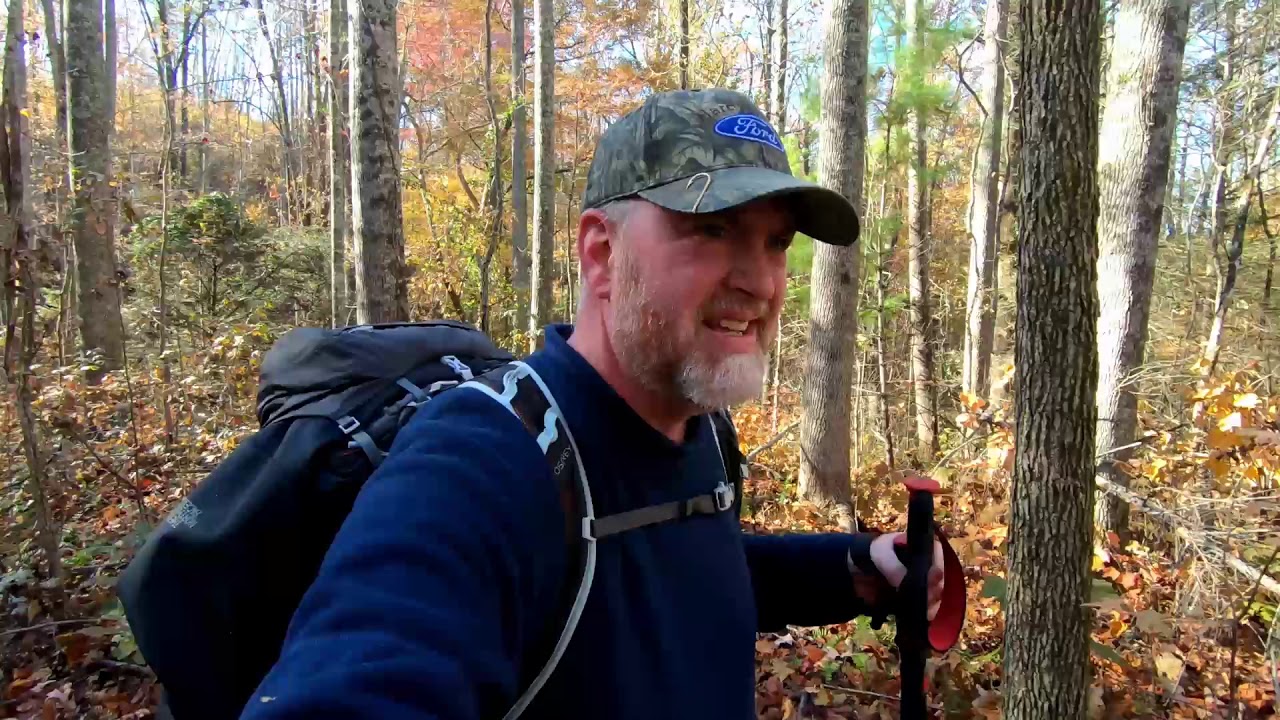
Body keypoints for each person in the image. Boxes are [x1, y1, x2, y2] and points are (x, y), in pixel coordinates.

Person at [239, 87, 952, 720]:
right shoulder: (479, 463)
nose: (761, 282)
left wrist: (852, 567)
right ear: (601, 254)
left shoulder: (695, 427)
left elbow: (669, 573)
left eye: (775, 243)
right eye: (712, 229)